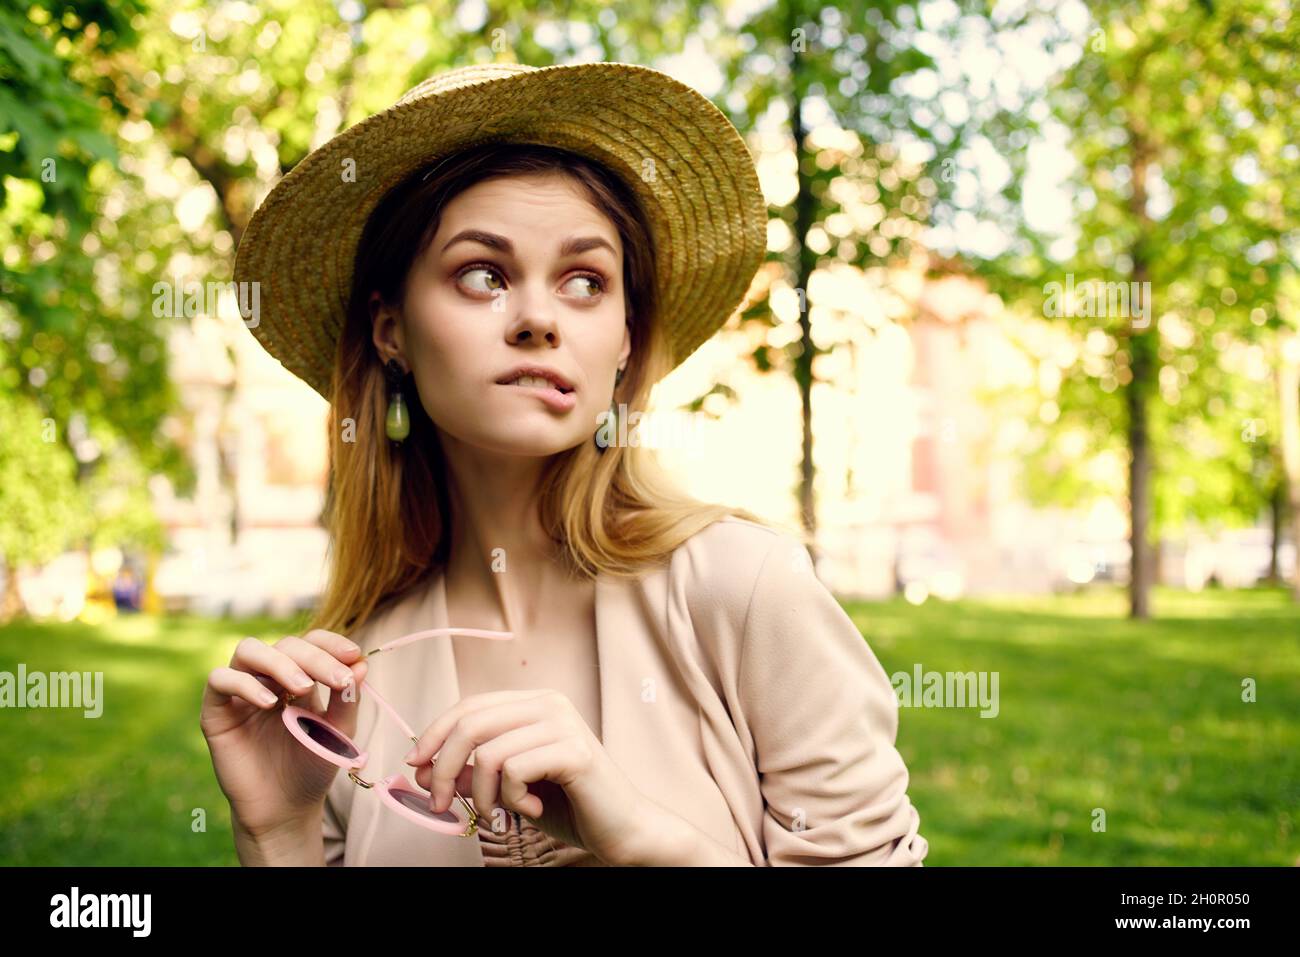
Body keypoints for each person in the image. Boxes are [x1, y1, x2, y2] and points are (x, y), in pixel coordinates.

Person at [201, 62, 928, 867]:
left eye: (585, 280)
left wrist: (640, 836)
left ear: (623, 339)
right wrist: (278, 832)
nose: (539, 318)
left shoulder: (744, 589)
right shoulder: (348, 679)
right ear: (391, 329)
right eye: (483, 274)